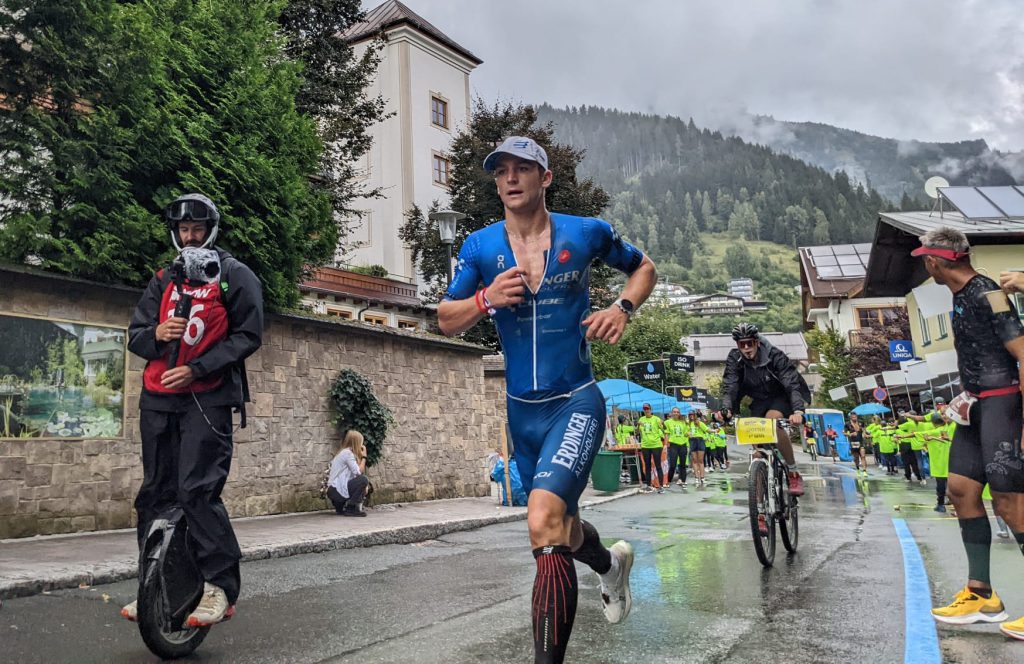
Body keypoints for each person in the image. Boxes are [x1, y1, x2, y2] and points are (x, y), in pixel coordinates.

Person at [437, 136, 658, 662]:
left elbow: (644, 267)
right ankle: (609, 566)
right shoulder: (480, 247)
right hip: (522, 414)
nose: (510, 179)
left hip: (575, 401)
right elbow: (446, 319)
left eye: (522, 169)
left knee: (541, 521)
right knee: (563, 527)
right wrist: (486, 299)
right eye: (501, 172)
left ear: (545, 178)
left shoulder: (585, 234)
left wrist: (622, 307)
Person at [123, 194, 263, 627]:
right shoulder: (163, 278)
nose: (190, 236)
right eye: (183, 230)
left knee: (197, 491)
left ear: (211, 229)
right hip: (158, 398)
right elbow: (136, 335)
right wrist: (158, 334)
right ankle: (155, 585)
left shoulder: (233, 275)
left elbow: (248, 335)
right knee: (154, 494)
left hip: (208, 399)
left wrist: (197, 368)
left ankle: (219, 587)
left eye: (197, 229)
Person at [913, 229, 1024, 640]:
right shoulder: (960, 296)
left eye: (925, 261)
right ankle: (982, 594)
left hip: (1004, 401)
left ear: (934, 262)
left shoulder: (987, 293)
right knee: (960, 488)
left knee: (1011, 502)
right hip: (976, 404)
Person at [719, 323, 809, 495]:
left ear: (757, 342)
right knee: (755, 439)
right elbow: (730, 385)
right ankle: (760, 506)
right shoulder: (734, 358)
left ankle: (793, 472)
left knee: (772, 421)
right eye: (742, 344)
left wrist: (798, 411)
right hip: (758, 399)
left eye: (750, 343)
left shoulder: (775, 356)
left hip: (780, 396)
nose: (746, 348)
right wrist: (726, 409)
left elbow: (791, 384)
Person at [328, 430, 370, 516]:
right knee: (363, 480)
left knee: (363, 482)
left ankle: (341, 507)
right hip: (337, 491)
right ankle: (351, 508)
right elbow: (358, 472)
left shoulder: (343, 452)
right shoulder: (348, 454)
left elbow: (352, 476)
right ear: (357, 443)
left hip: (334, 491)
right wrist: (364, 457)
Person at [922, 412, 953, 513]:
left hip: (940, 463)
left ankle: (940, 504)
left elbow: (923, 435)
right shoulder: (947, 428)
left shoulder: (934, 432)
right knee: (952, 484)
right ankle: (952, 502)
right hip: (951, 462)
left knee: (941, 485)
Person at [637, 404, 666, 493]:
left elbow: (664, 429)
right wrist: (638, 425)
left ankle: (661, 486)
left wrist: (663, 423)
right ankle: (649, 485)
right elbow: (638, 432)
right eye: (644, 409)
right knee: (647, 466)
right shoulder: (641, 419)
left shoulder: (656, 419)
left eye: (648, 409)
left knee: (658, 465)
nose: (646, 410)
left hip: (656, 445)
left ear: (650, 409)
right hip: (645, 445)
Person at [664, 407, 689, 486]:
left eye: (677, 412)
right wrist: (666, 444)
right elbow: (667, 434)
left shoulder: (683, 422)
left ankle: (683, 480)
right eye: (674, 412)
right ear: (671, 413)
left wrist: (688, 434)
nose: (676, 413)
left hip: (682, 444)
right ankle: (668, 481)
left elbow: (686, 433)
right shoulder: (667, 422)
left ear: (679, 413)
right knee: (672, 464)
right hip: (673, 445)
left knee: (682, 464)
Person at [687, 412, 709, 486]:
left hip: (700, 440)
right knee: (694, 460)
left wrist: (714, 430)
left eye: (692, 415)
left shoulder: (699, 423)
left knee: (700, 461)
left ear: (695, 416)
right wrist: (687, 434)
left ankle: (702, 478)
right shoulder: (688, 424)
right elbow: (685, 432)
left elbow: (707, 429)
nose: (691, 416)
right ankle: (696, 478)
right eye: (690, 415)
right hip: (692, 440)